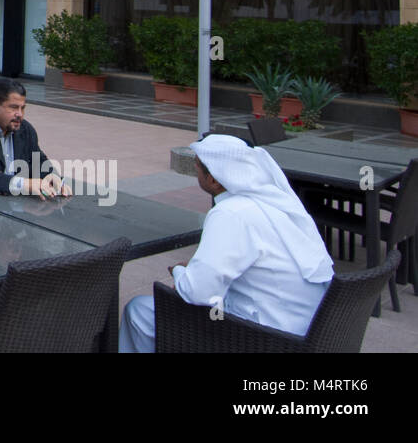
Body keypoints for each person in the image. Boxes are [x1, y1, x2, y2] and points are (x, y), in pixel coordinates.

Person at [119, 133, 333, 353]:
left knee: (139, 312)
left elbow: (197, 293)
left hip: (266, 338)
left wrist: (181, 272)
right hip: (310, 331)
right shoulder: (277, 203)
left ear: (213, 179)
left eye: (197, 169)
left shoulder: (230, 213)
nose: (196, 174)